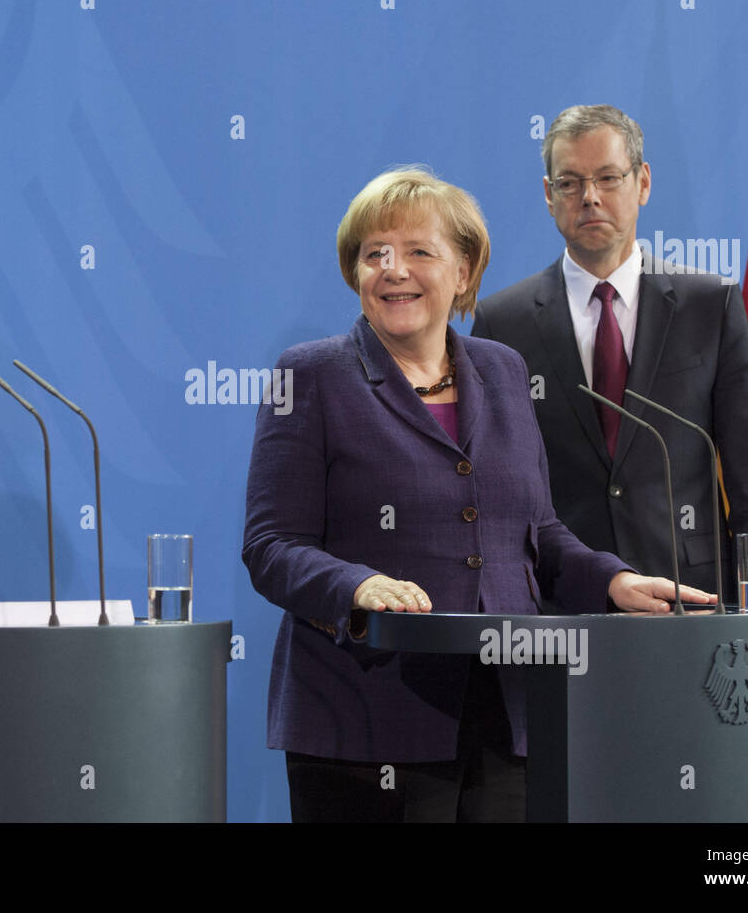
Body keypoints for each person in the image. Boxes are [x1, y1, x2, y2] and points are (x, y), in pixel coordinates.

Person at [242, 167, 713, 823]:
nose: (392, 269)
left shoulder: (502, 369)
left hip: (508, 715)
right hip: (367, 716)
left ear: (464, 271)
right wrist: (356, 586)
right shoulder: (312, 375)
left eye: (417, 252)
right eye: (373, 253)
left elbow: (538, 531)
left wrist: (614, 581)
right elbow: (271, 546)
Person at [471, 105, 748, 606]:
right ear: (549, 196)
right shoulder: (501, 322)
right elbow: (499, 493)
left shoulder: (711, 304)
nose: (590, 197)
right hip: (563, 604)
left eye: (608, 178)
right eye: (570, 183)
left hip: (693, 599)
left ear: (642, 183)